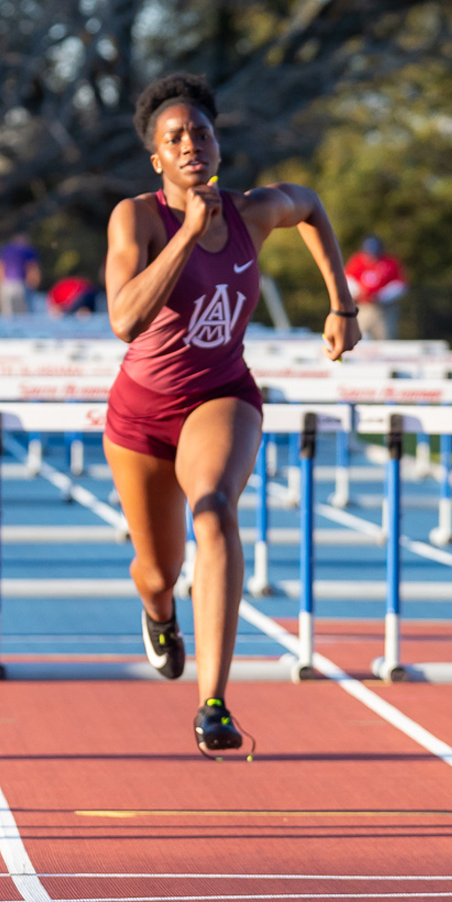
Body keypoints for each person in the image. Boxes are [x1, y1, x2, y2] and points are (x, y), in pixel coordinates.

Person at [103, 72, 358, 756]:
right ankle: (160, 612)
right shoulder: (137, 218)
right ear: (157, 158)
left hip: (221, 394)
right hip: (140, 415)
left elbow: (311, 206)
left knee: (214, 510)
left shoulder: (253, 211)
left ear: (218, 145)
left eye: (202, 133)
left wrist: (342, 304)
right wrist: (188, 233)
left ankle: (212, 702)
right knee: (157, 570)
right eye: (175, 138)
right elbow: (124, 320)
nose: (191, 144)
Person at [345, 235, 407, 340]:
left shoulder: (390, 262)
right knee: (358, 338)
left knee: (385, 339)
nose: (371, 256)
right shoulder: (357, 261)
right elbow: (348, 279)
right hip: (362, 308)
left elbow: (400, 285)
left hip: (383, 310)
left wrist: (381, 296)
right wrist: (358, 292)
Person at [0, 232, 40, 315]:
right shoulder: (28, 250)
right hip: (21, 285)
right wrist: (34, 284)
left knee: (6, 315)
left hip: (5, 285)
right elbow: (32, 268)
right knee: (24, 316)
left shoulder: (5, 250)